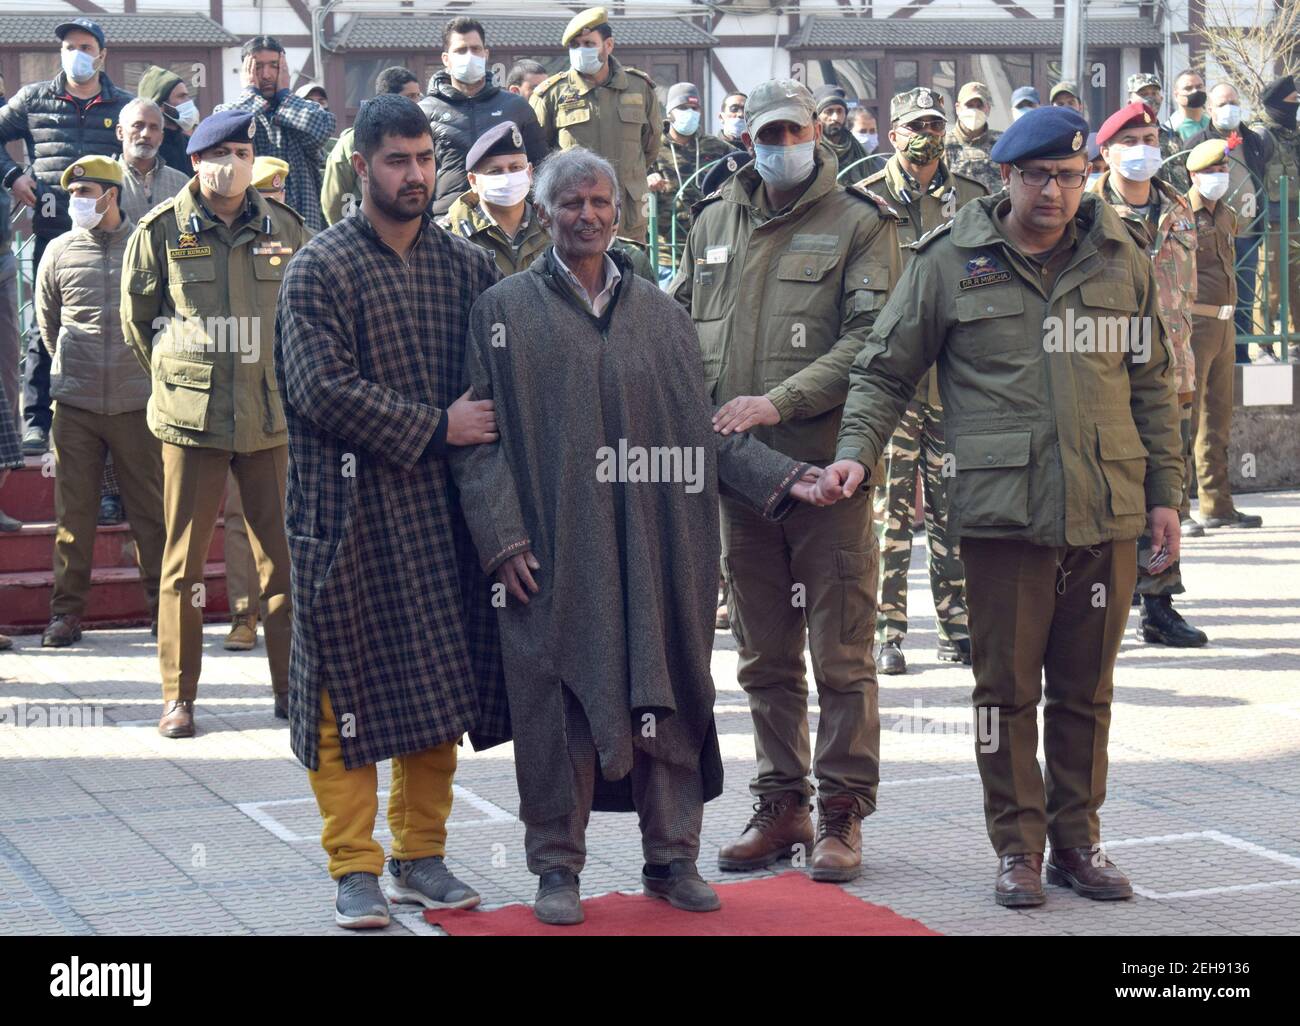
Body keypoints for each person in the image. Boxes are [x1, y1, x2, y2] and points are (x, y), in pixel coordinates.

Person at [450, 146, 829, 925]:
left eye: (598, 202)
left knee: (668, 694)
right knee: (559, 708)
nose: (585, 216)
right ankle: (557, 870)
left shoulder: (664, 317)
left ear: (618, 214)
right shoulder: (504, 312)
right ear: (544, 212)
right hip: (550, 553)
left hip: (660, 549)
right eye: (569, 204)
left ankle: (673, 860)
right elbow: (479, 440)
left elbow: (705, 428)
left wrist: (786, 478)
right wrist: (503, 538)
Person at [818, 105, 1183, 908]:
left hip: (1105, 507)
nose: (1053, 191)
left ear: (1085, 176)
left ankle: (1077, 844)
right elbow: (883, 371)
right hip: (1003, 515)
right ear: (1005, 176)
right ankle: (1017, 849)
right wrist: (856, 453)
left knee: (1087, 692)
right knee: (1005, 692)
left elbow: (1152, 385)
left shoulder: (1121, 256)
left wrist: (1166, 495)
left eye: (1067, 175)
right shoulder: (951, 260)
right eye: (1036, 176)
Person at [275, 94, 508, 930]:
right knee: (345, 694)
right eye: (397, 161)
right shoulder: (319, 267)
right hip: (345, 517)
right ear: (363, 166)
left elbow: (501, 375)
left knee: (434, 689)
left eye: (424, 160)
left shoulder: (467, 267)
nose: (415, 176)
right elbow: (318, 389)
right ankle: (354, 866)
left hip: (441, 519)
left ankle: (421, 855)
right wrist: (435, 425)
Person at [670, 79, 901, 884]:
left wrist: (779, 400)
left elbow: (875, 344)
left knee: (841, 658)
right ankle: (783, 802)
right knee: (764, 659)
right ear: (746, 139)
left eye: (791, 130)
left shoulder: (862, 227)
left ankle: (841, 813)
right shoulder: (710, 223)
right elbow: (680, 341)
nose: (778, 145)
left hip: (826, 476)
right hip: (744, 485)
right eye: (765, 132)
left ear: (816, 132)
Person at [121, 109, 311, 738]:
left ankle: (292, 691)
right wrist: (182, 380)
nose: (233, 162)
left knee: (283, 562)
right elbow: (139, 323)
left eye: (243, 149)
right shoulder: (160, 231)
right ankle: (179, 698)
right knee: (183, 568)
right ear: (197, 160)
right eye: (220, 152)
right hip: (192, 422)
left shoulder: (285, 228)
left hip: (268, 418)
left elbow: (305, 319)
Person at [857, 87, 986, 674]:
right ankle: (887, 631)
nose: (926, 134)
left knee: (953, 511)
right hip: (892, 383)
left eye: (935, 123)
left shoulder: (976, 201)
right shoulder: (862, 203)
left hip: (955, 381)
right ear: (893, 132)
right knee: (887, 516)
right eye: (914, 125)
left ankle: (957, 627)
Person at [35, 156, 166, 648]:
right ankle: (67, 615)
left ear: (111, 196)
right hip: (75, 406)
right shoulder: (58, 251)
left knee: (151, 514)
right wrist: (75, 369)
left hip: (138, 404)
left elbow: (165, 321)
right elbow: (49, 328)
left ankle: (164, 611)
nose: (77, 203)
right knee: (74, 517)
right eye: (74, 194)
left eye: (86, 193)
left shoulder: (147, 247)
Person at [1091, 101, 1207, 649]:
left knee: (1168, 487)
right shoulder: (1087, 211)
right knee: (1105, 488)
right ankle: (1098, 603)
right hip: (1106, 375)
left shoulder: (1179, 208)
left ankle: (1159, 602)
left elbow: (1185, 297)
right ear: (1107, 152)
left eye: (1151, 136)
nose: (1144, 147)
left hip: (1172, 374)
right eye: (1131, 139)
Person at [0, 17, 133, 456]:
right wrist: (13, 175)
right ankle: (37, 420)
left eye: (85, 45)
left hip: (113, 235)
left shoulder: (125, 105)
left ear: (102, 54)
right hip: (53, 232)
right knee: (43, 325)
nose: (76, 53)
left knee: (116, 322)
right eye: (69, 45)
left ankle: (118, 415)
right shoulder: (33, 99)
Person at [531, 6, 662, 246]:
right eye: (575, 45)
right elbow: (537, 157)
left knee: (631, 277)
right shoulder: (551, 94)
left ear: (608, 45)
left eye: (589, 44)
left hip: (627, 216)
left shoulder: (640, 88)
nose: (581, 51)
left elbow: (650, 149)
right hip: (575, 218)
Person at [1185, 140, 1263, 531]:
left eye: (1222, 171)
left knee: (1218, 417)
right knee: (1185, 416)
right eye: (1210, 172)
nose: (1218, 178)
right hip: (1195, 324)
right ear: (1193, 175)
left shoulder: (1227, 216)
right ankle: (1177, 508)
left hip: (1225, 323)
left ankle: (1217, 505)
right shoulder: (1180, 215)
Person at [419, 17, 546, 222]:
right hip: (448, 223)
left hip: (510, 222)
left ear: (486, 54)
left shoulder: (516, 107)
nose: (469, 56)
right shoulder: (425, 112)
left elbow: (541, 167)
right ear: (445, 59)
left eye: (476, 49)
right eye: (461, 50)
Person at [1185, 81, 1273, 361]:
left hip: (1247, 233)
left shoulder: (1254, 140)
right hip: (1210, 235)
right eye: (1223, 104)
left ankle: (1241, 354)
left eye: (1234, 102)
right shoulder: (1197, 142)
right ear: (1210, 108)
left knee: (1244, 298)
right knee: (1210, 299)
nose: (1230, 109)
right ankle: (1208, 355)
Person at [215, 35, 335, 232]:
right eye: (259, 67)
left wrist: (285, 95)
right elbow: (224, 131)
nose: (267, 75)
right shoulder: (231, 111)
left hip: (303, 225)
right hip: (251, 224)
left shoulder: (302, 110)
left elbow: (322, 129)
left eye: (274, 66)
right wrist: (250, 93)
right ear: (246, 71)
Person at [648, 83, 732, 283]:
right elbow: (631, 185)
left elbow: (745, 171)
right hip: (668, 255)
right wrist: (646, 180)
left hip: (710, 250)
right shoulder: (652, 149)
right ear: (669, 112)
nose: (690, 113)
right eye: (683, 108)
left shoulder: (717, 147)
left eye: (695, 108)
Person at [321, 66, 421, 226]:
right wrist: (347, 236)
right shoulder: (354, 141)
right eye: (410, 97)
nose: (416, 103)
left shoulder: (422, 140)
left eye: (418, 96)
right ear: (387, 99)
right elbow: (334, 200)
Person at [449, 121, 547, 275]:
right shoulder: (450, 235)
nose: (507, 178)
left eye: (516, 168)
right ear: (473, 181)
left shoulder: (553, 225)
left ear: (529, 172)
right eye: (495, 171)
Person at [1249, 74, 1300, 362]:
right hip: (1270, 223)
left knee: (1297, 283)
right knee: (1268, 284)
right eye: (1292, 102)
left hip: (1295, 220)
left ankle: (1295, 342)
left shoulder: (1295, 134)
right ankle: (1264, 345)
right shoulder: (1261, 136)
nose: (1295, 108)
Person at [1127, 72, 1190, 193]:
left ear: (1161, 98)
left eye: (1154, 93)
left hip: (1177, 205)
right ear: (1130, 101)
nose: (1150, 98)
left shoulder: (1172, 136)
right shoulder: (1125, 139)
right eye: (1144, 94)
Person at [135, 65, 200, 175]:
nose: (189, 102)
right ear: (161, 106)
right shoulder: (145, 146)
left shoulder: (191, 146)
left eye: (187, 96)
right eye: (181, 96)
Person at [945, 81, 1003, 195]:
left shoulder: (1002, 143)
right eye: (969, 106)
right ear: (958, 108)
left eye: (979, 106)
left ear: (988, 109)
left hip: (995, 211)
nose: (974, 111)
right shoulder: (942, 144)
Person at [814, 85, 868, 178]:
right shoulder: (812, 151)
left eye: (839, 111)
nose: (835, 118)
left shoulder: (857, 150)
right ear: (817, 116)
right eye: (829, 111)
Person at [1170, 70, 1210, 142]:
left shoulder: (1212, 123)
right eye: (1188, 88)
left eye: (1199, 86)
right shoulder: (1171, 130)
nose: (1195, 91)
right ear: (1176, 95)